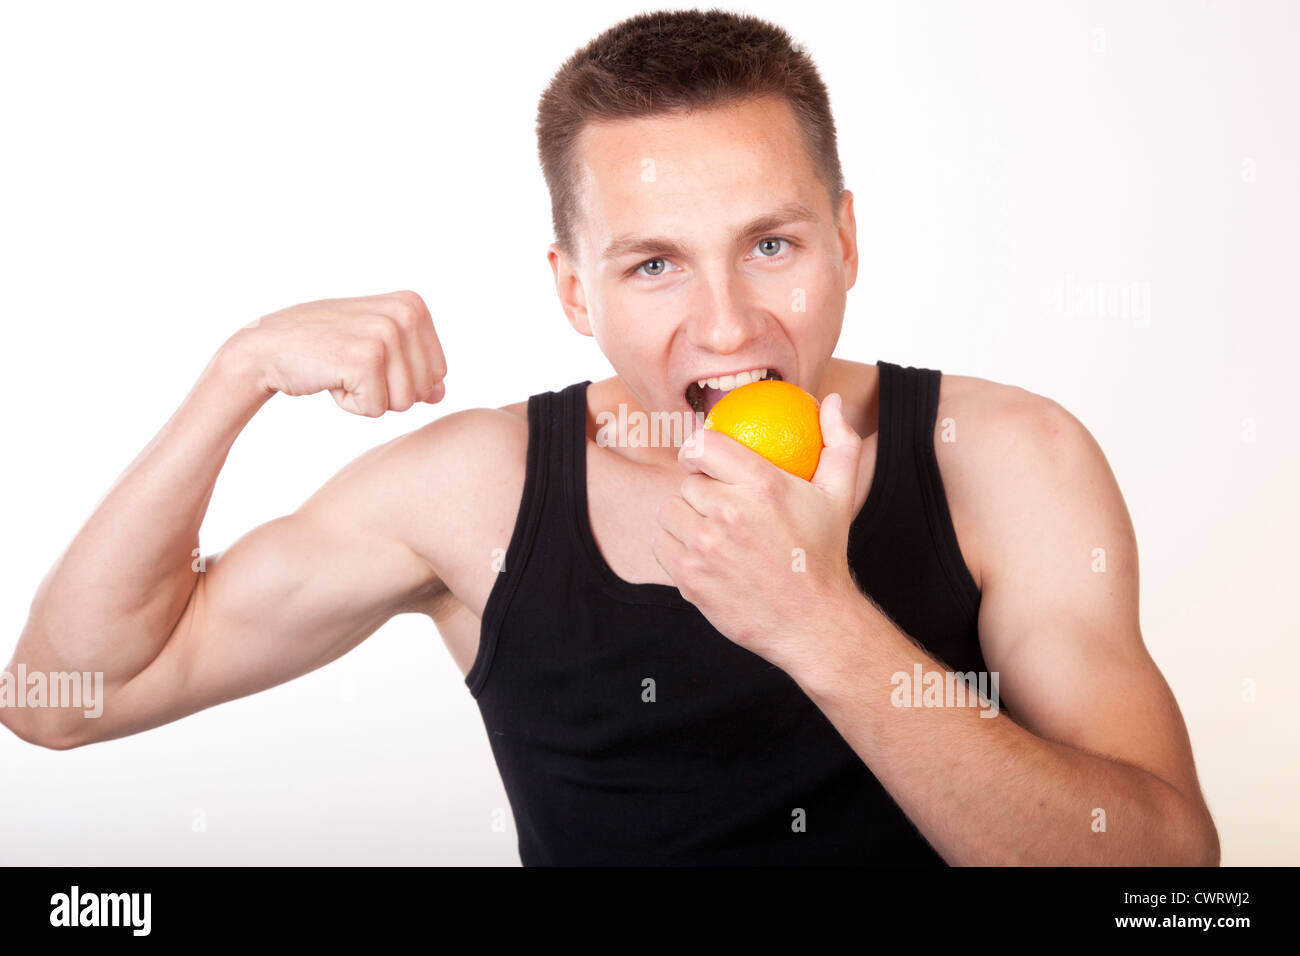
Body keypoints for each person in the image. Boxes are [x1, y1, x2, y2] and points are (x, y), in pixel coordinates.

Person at [1, 8, 1218, 866]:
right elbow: (63, 700)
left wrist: (816, 620)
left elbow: (1166, 877)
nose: (729, 321)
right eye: (652, 265)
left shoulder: (1006, 457)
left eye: (773, 243)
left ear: (846, 237)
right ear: (575, 292)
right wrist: (236, 372)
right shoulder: (474, 493)